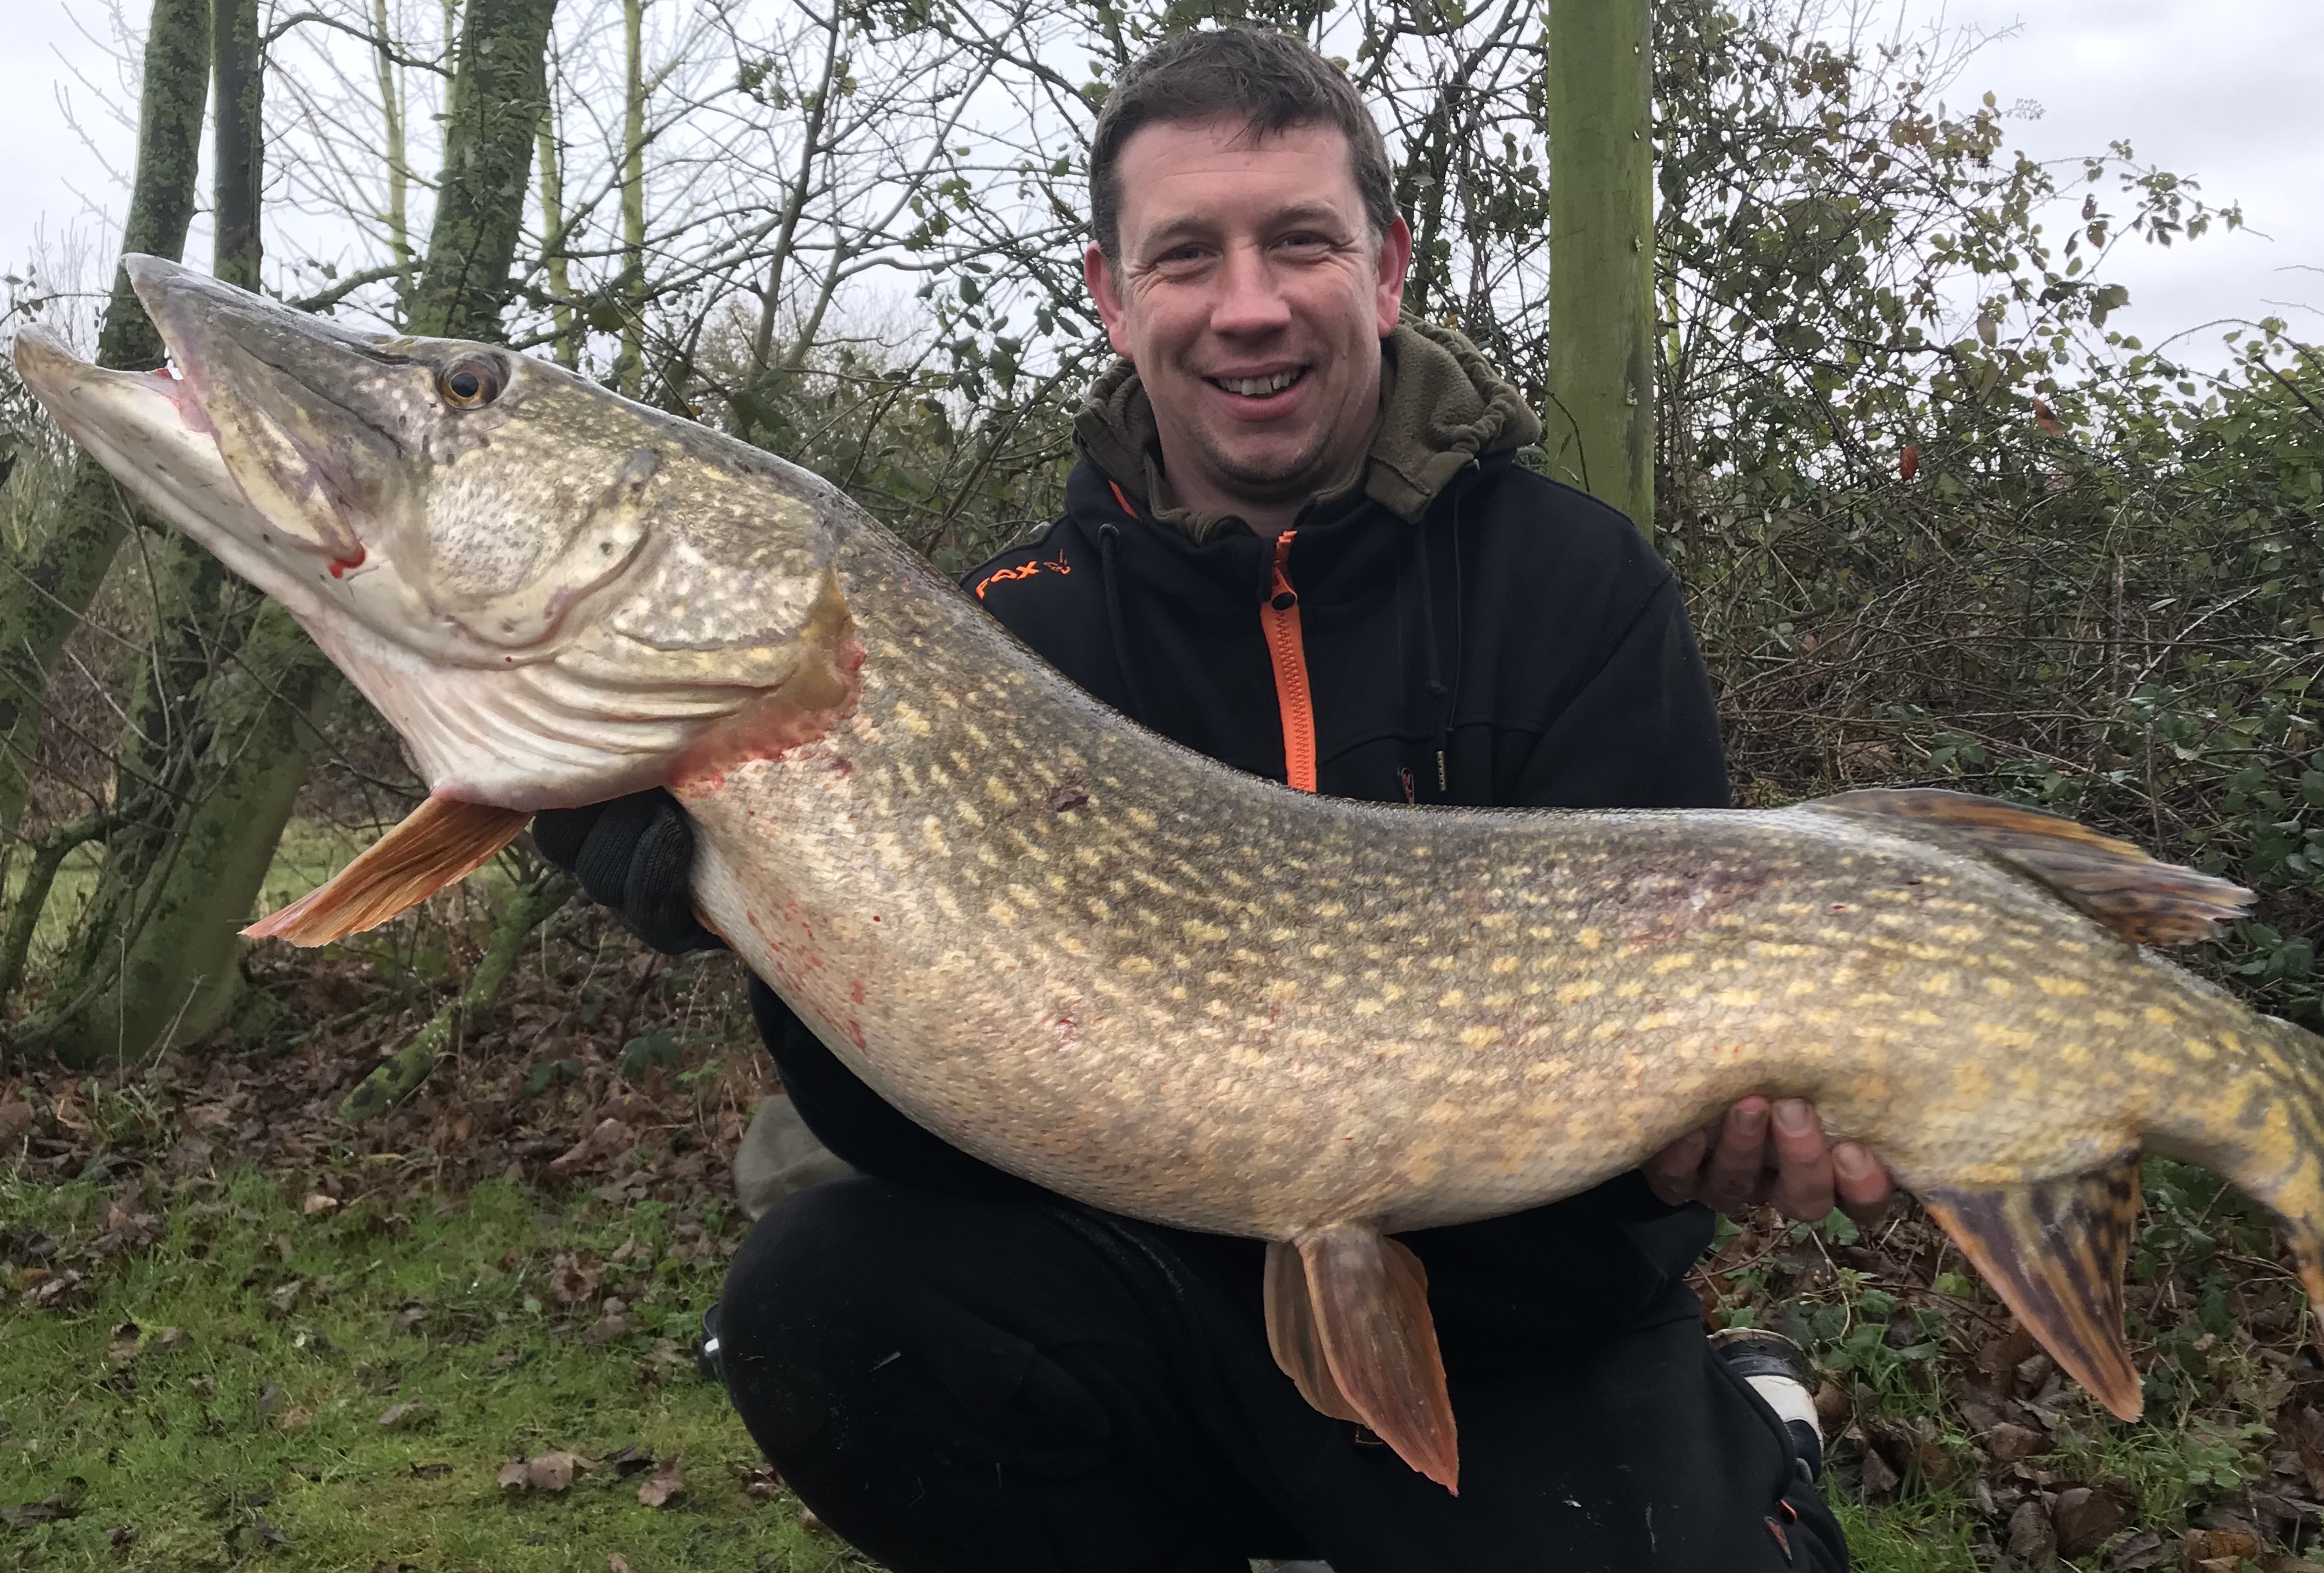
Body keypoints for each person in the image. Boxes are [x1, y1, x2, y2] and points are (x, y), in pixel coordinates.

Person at [537, 27, 1890, 1572]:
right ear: (1113, 297)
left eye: (1297, 241)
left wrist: (1702, 1135)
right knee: (829, 1293)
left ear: (1382, 268)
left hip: (1529, 1327)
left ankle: (1737, 1436)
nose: (1247, 306)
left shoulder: (1575, 585)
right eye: (1186, 254)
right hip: (1167, 1308)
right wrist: (744, 897)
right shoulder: (1003, 637)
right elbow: (919, 1135)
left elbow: (1654, 1087)